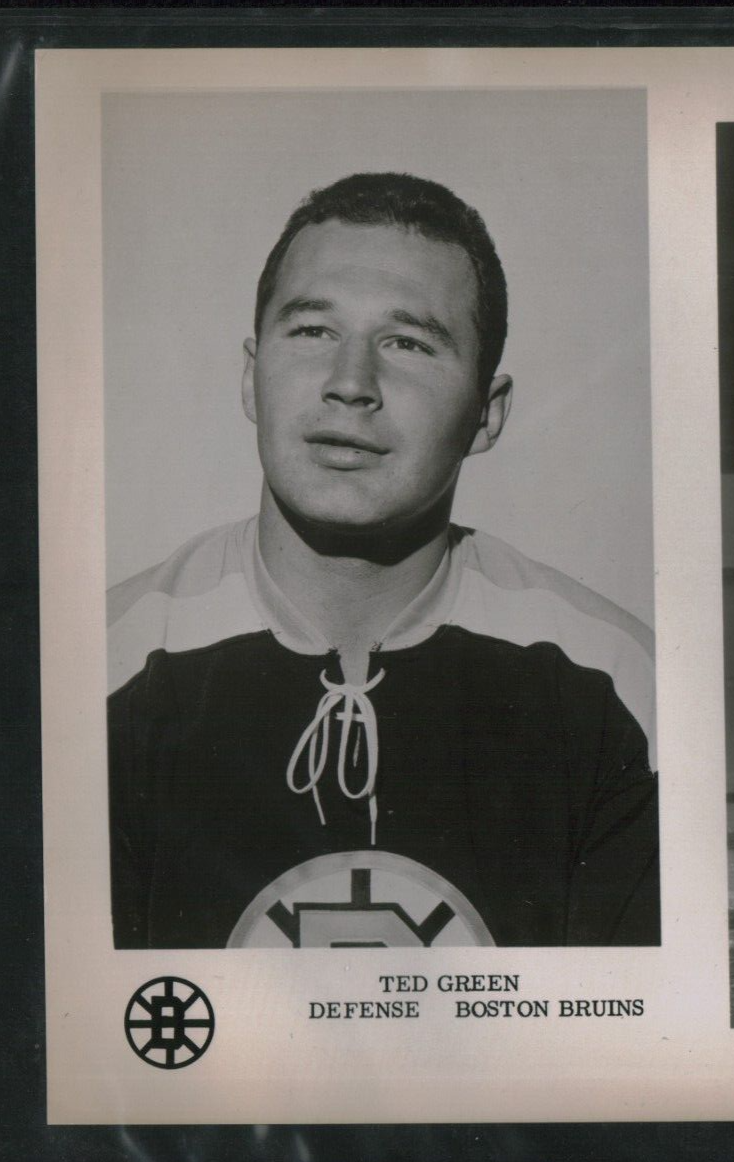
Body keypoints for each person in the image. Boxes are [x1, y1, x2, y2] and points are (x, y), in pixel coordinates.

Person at [107, 173, 659, 948]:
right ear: (249, 374)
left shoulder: (621, 687)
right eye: (312, 332)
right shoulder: (93, 673)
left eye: (408, 343)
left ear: (486, 413)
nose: (350, 384)